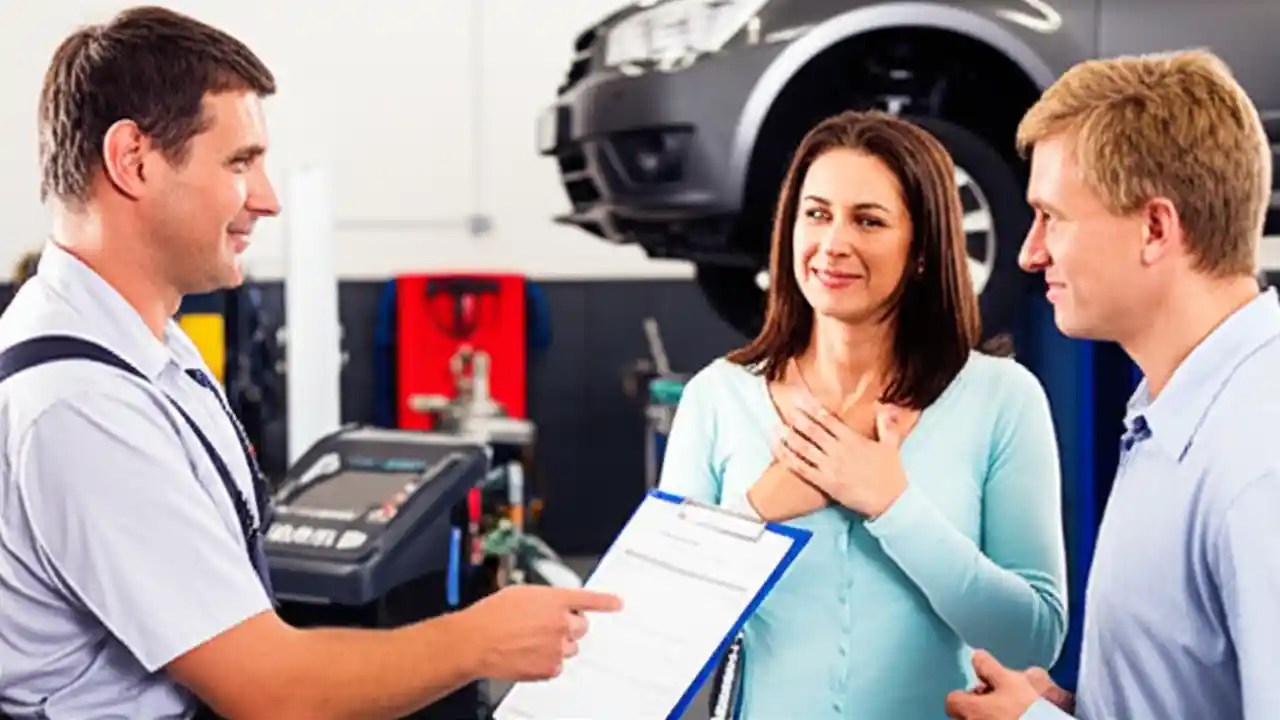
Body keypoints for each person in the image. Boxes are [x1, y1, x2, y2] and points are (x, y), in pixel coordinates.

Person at [0, 7, 619, 719]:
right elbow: (272, 691)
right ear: (133, 160)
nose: (266, 199)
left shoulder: (145, 348)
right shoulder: (82, 404)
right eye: (240, 162)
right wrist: (482, 639)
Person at [658, 109, 1069, 719]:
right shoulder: (718, 399)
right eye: (816, 214)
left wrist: (893, 504)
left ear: (923, 250)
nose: (833, 244)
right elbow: (660, 633)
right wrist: (756, 511)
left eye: (868, 221)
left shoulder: (1002, 399)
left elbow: (1033, 636)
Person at [943, 49, 1280, 720]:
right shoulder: (1176, 414)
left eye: (1053, 217)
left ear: (1155, 228)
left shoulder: (1260, 458)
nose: (1029, 252)